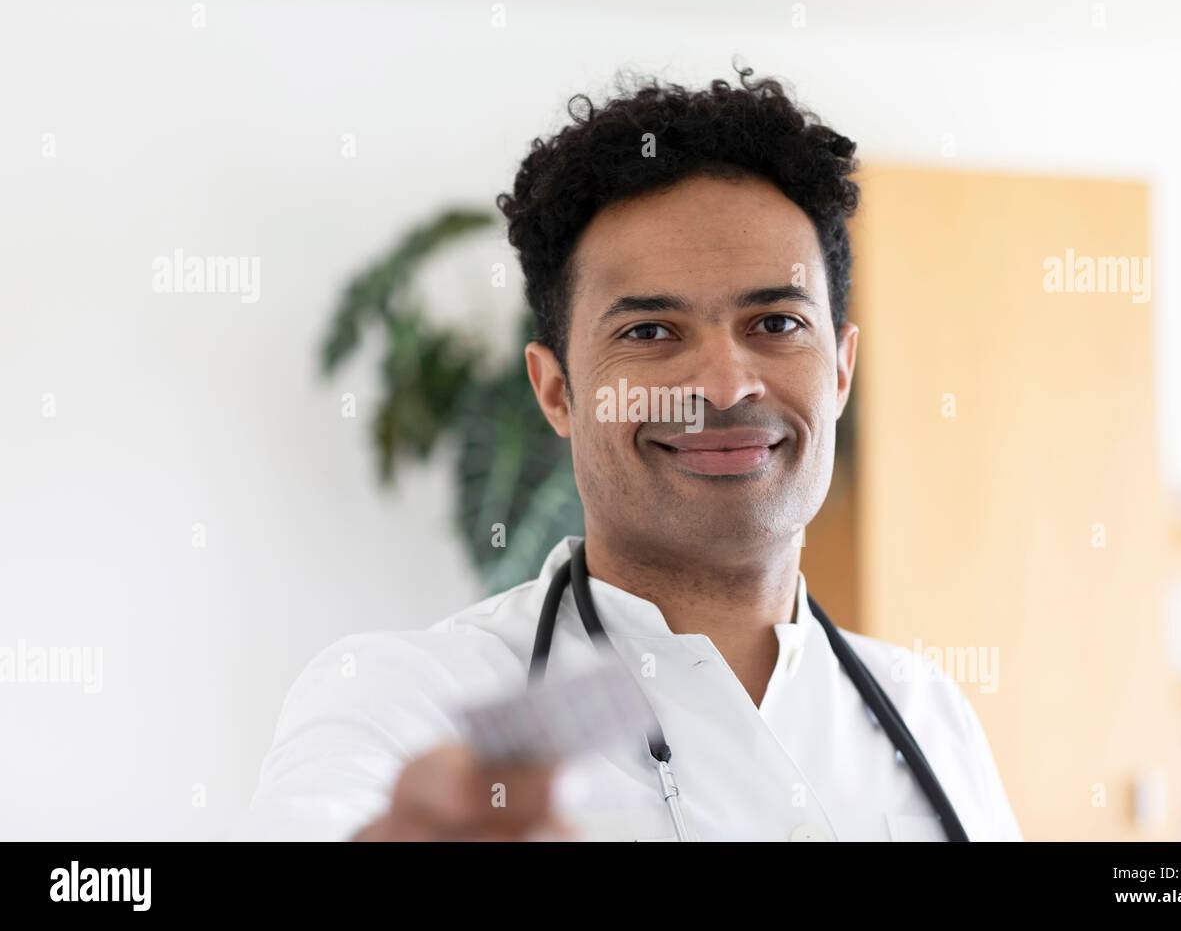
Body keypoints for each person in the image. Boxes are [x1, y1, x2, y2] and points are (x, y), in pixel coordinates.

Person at [232, 66, 1023, 842]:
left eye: (776, 323)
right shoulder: (415, 704)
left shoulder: (928, 715)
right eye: (650, 332)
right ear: (557, 392)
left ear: (841, 370)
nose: (724, 383)